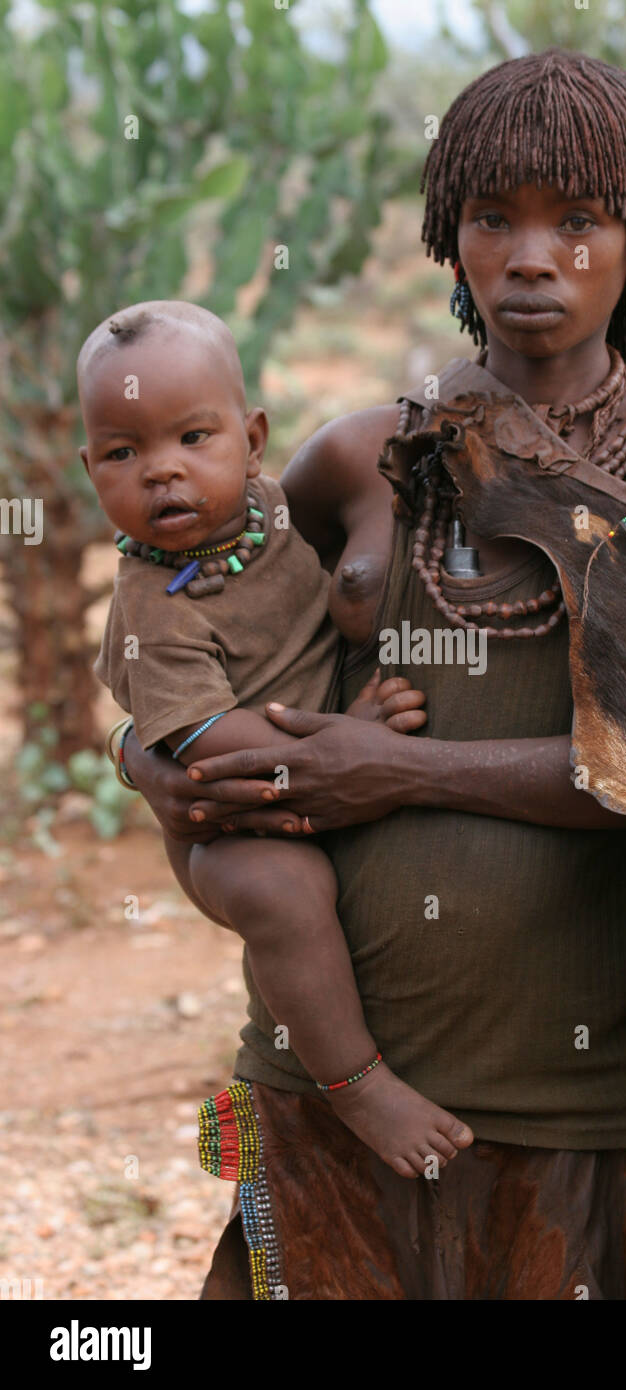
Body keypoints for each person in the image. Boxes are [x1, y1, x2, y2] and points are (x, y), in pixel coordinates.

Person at [118, 50, 626, 1300]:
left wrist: (395, 765)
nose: (530, 254)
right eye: (494, 218)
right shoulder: (361, 457)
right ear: (450, 238)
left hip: (584, 1090)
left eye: (574, 221)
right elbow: (184, 624)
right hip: (335, 1079)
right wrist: (150, 765)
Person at [80, 299, 475, 1177]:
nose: (161, 474)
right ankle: (358, 1086)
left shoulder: (273, 514)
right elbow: (210, 744)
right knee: (287, 898)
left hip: (320, 766)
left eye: (193, 439)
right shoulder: (154, 605)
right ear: (89, 471)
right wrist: (350, 735)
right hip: (232, 826)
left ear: (252, 439)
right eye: (122, 453)